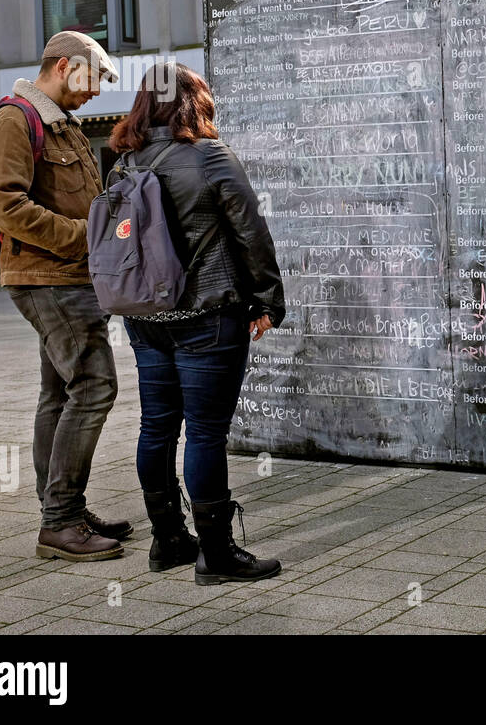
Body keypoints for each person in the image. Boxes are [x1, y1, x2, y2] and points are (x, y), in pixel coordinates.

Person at [107, 62, 285, 584]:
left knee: (156, 426)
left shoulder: (122, 164)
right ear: (194, 102)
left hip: (145, 318)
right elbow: (251, 233)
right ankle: (217, 555)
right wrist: (269, 300)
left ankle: (168, 541)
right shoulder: (209, 157)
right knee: (205, 433)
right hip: (208, 315)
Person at [0, 31, 129, 562]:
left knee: (60, 394)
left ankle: (62, 510)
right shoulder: (17, 119)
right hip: (49, 278)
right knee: (95, 385)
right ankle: (60, 521)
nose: (98, 94)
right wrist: (81, 239)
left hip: (66, 278)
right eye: (94, 80)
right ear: (65, 67)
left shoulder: (65, 126)